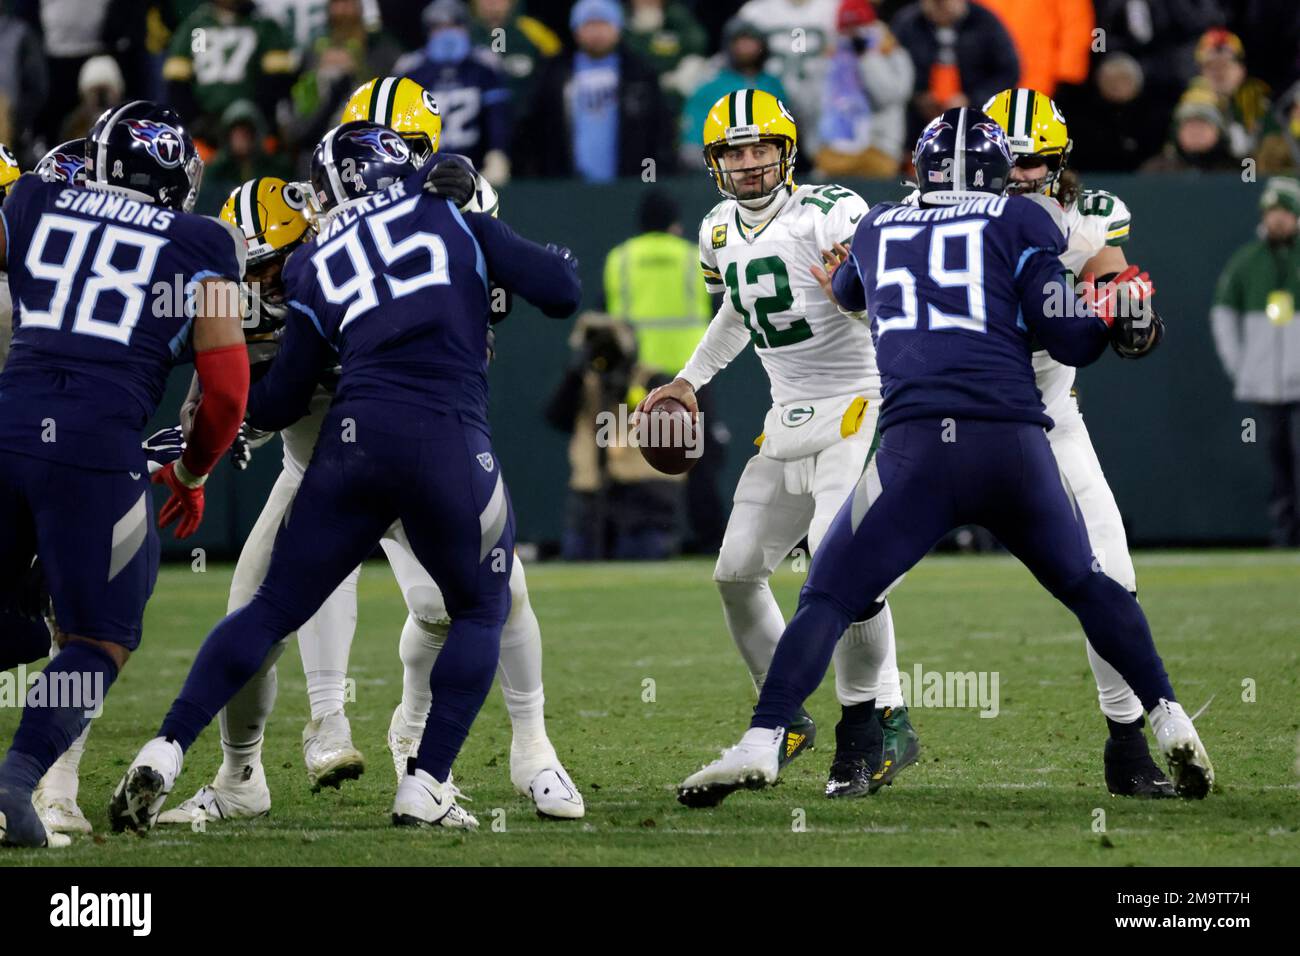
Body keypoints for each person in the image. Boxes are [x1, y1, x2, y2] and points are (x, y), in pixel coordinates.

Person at [677, 107, 1214, 808]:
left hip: (917, 447)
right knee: (1091, 584)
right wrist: (1113, 314)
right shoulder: (1024, 222)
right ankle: (1167, 712)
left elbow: (845, 293)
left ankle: (765, 735)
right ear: (995, 173)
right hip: (1016, 443)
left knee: (830, 592)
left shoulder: (877, 224)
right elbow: (1077, 340)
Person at [108, 118, 582, 833]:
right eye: (251, 273)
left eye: (272, 266)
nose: (261, 283)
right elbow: (556, 287)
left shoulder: (315, 261)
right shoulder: (418, 224)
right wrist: (205, 428)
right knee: (458, 601)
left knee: (467, 601)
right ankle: (257, 775)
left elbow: (270, 394)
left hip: (351, 459)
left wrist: (219, 418)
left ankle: (531, 752)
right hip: (386, 455)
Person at [636, 89, 919, 799]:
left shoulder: (831, 212)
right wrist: (688, 379)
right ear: (714, 163)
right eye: (736, 150)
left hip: (859, 401)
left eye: (762, 147)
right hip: (787, 414)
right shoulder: (716, 233)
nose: (751, 161)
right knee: (734, 571)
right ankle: (784, 713)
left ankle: (878, 716)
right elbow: (737, 304)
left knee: (839, 562)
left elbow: (884, 291)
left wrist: (857, 293)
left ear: (787, 151)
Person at [0, 101, 248, 848]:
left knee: (15, 617)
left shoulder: (34, 199)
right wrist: (194, 472)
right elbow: (229, 389)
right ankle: (14, 787)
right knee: (98, 638)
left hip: (9, 422)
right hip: (98, 449)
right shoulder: (205, 241)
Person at [983, 87, 1173, 797]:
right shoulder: (945, 219)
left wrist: (1134, 320)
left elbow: (1121, 295)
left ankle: (1127, 744)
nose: (1023, 174)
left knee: (1112, 577)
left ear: (1060, 162)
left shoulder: (1088, 221)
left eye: (1036, 162)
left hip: (1049, 419)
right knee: (856, 574)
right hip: (946, 416)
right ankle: (866, 727)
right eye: (1008, 161)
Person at [605, 190, 725, 553]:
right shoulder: (693, 257)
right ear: (675, 223)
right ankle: (710, 541)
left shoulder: (620, 259)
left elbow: (609, 318)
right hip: (690, 377)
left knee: (633, 456)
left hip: (638, 379)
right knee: (699, 460)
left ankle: (634, 541)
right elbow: (722, 311)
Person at [547, 312, 684, 560]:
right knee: (578, 556)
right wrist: (574, 372)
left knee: (640, 554)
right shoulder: (584, 382)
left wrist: (627, 384)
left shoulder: (653, 379)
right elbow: (557, 418)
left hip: (643, 491)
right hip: (590, 492)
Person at [1211, 177, 1300, 548]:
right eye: (1271, 212)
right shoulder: (1246, 261)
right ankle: (1285, 532)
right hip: (1265, 385)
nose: (1276, 219)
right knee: (1276, 459)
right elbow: (1223, 316)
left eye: (1284, 212)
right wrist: (1241, 367)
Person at [517, 0, 676, 181]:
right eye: (589, 24)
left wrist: (653, 177)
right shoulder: (552, 74)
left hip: (628, 186)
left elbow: (659, 130)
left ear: (618, 28)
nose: (597, 32)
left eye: (603, 23)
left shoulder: (640, 73)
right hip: (565, 189)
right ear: (575, 30)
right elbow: (535, 129)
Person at [398, 0, 512, 182]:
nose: (447, 33)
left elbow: (497, 116)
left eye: (454, 25)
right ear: (428, 32)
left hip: (476, 168)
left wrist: (497, 153)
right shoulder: (411, 69)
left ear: (466, 27)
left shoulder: (484, 65)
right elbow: (400, 125)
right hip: (425, 172)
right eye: (438, 27)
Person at [163, 0, 297, 147]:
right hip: (206, 131)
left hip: (254, 129)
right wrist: (197, 122)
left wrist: (255, 120)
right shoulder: (196, 28)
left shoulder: (263, 25)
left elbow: (277, 83)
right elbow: (178, 84)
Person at [890, 0, 1019, 143]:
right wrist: (917, 95)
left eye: (944, 3)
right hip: (916, 126)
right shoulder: (907, 23)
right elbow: (890, 71)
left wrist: (971, 100)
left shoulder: (985, 22)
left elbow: (1009, 71)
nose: (939, 7)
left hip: (977, 124)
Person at [813, 0, 914, 178]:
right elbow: (813, 106)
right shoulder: (829, 58)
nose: (853, 34)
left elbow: (889, 96)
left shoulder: (891, 52)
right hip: (834, 150)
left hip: (880, 148)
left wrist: (866, 58)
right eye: (847, 28)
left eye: (859, 27)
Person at [679, 18, 788, 169]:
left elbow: (787, 130)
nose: (746, 48)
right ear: (729, 47)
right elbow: (692, 140)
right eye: (740, 42)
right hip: (722, 164)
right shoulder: (711, 86)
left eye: (751, 42)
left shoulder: (773, 84)